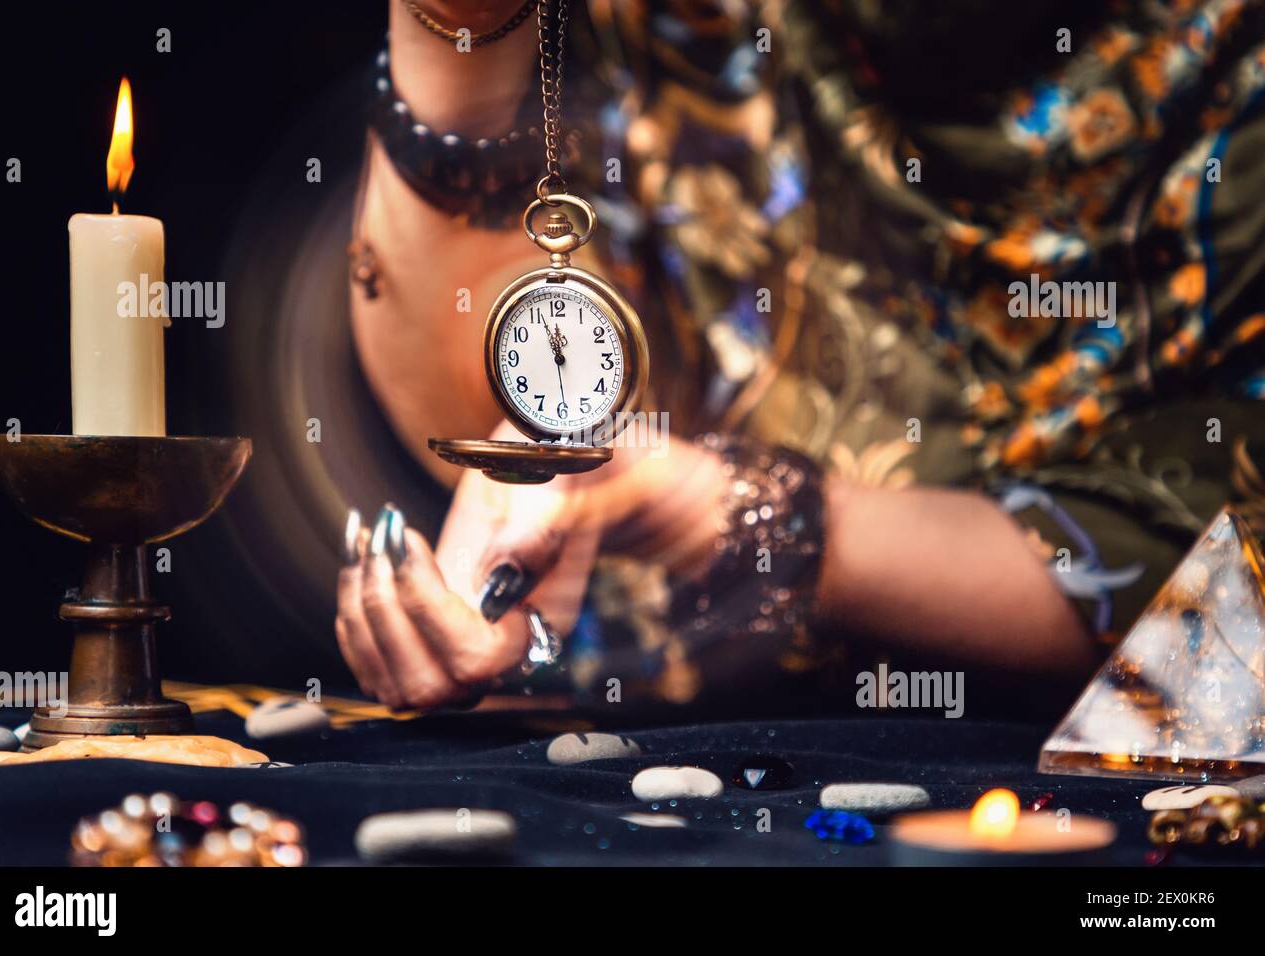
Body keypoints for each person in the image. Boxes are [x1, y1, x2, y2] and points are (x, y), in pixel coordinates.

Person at [201, 0, 1264, 713]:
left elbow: (1229, 570)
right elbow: (508, 403)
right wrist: (455, 35)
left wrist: (724, 512)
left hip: (1125, 756)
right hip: (647, 744)